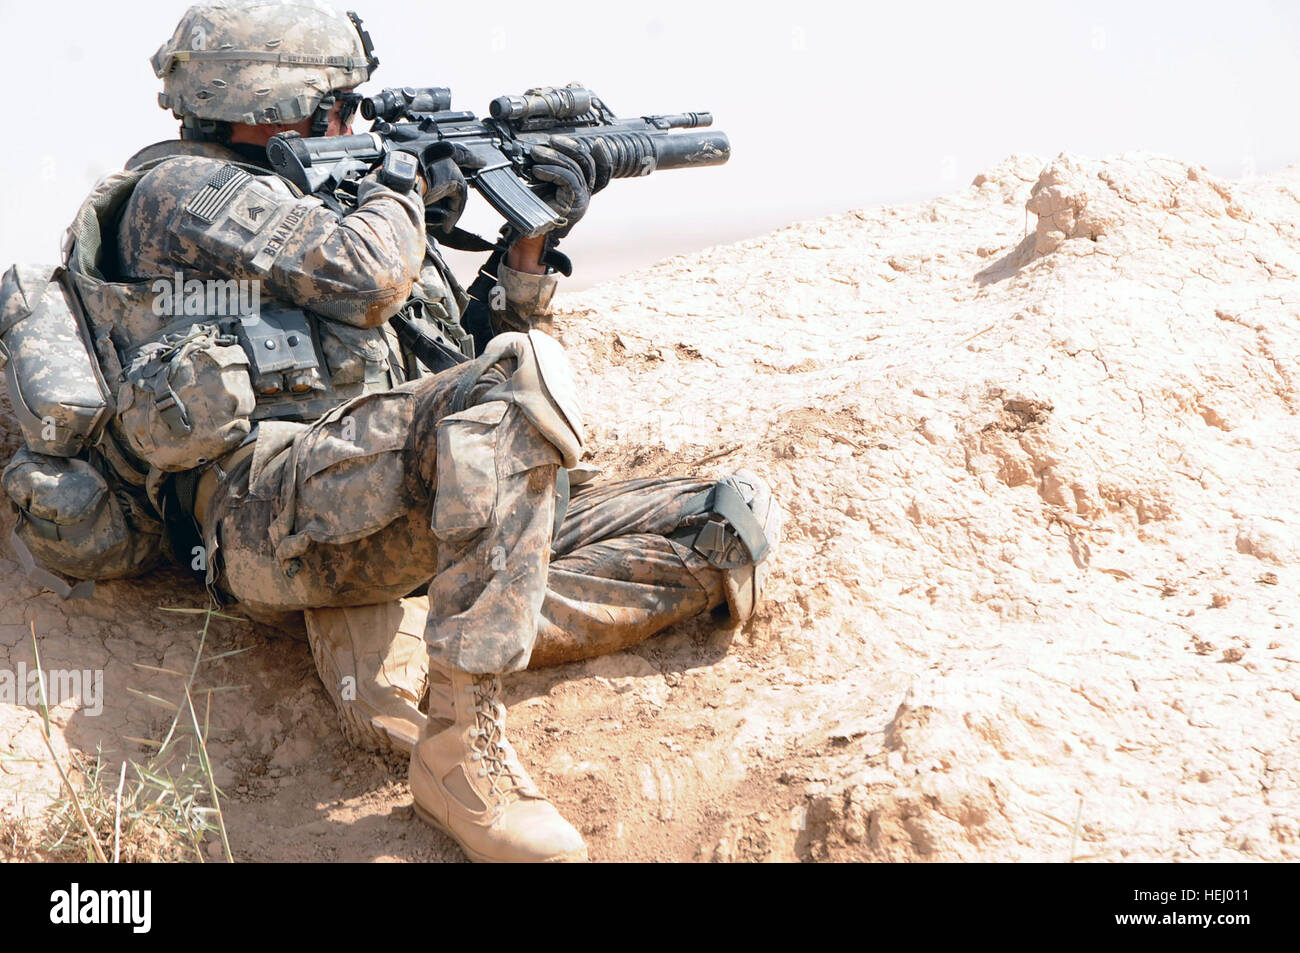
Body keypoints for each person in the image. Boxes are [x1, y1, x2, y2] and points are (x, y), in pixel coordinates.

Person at [0, 0, 779, 862]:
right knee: (515, 383)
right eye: (342, 104)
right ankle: (460, 749)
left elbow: (472, 370)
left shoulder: (337, 206)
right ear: (278, 105)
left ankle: (437, 637)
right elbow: (369, 277)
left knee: (726, 523)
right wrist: (403, 181)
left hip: (398, 497)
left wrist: (528, 253)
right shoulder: (179, 193)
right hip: (266, 514)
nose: (352, 121)